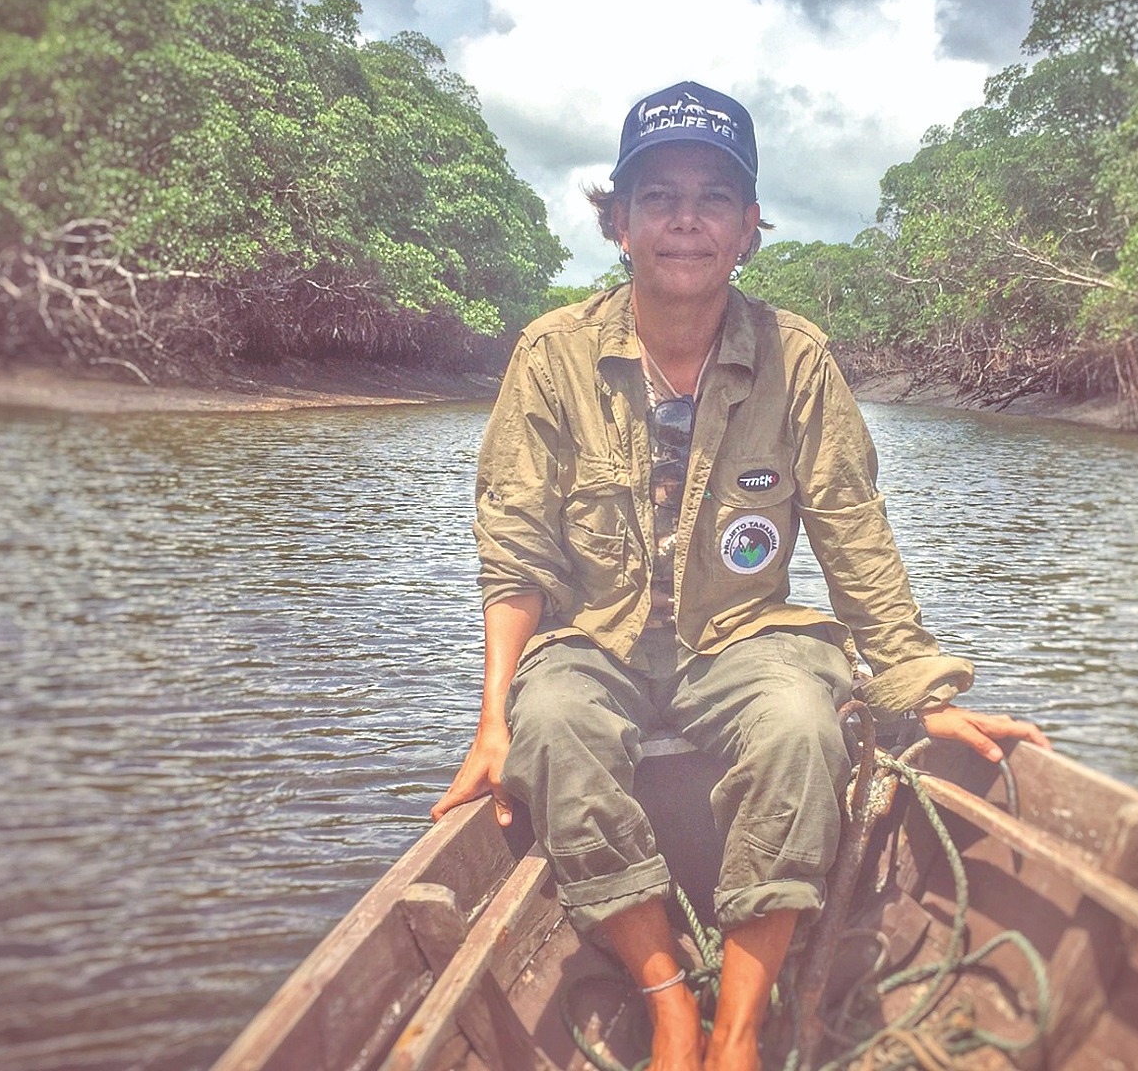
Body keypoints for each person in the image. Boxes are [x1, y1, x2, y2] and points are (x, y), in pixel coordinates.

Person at [432, 81, 1049, 1071]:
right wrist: (492, 719)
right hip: (598, 642)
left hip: (743, 643)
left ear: (750, 229)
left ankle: (740, 1025)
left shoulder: (796, 358)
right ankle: (669, 1000)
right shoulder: (552, 355)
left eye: (714, 198)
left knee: (805, 726)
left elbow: (855, 536)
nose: (686, 221)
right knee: (552, 725)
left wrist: (919, 692)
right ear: (619, 222)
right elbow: (515, 552)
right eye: (660, 196)